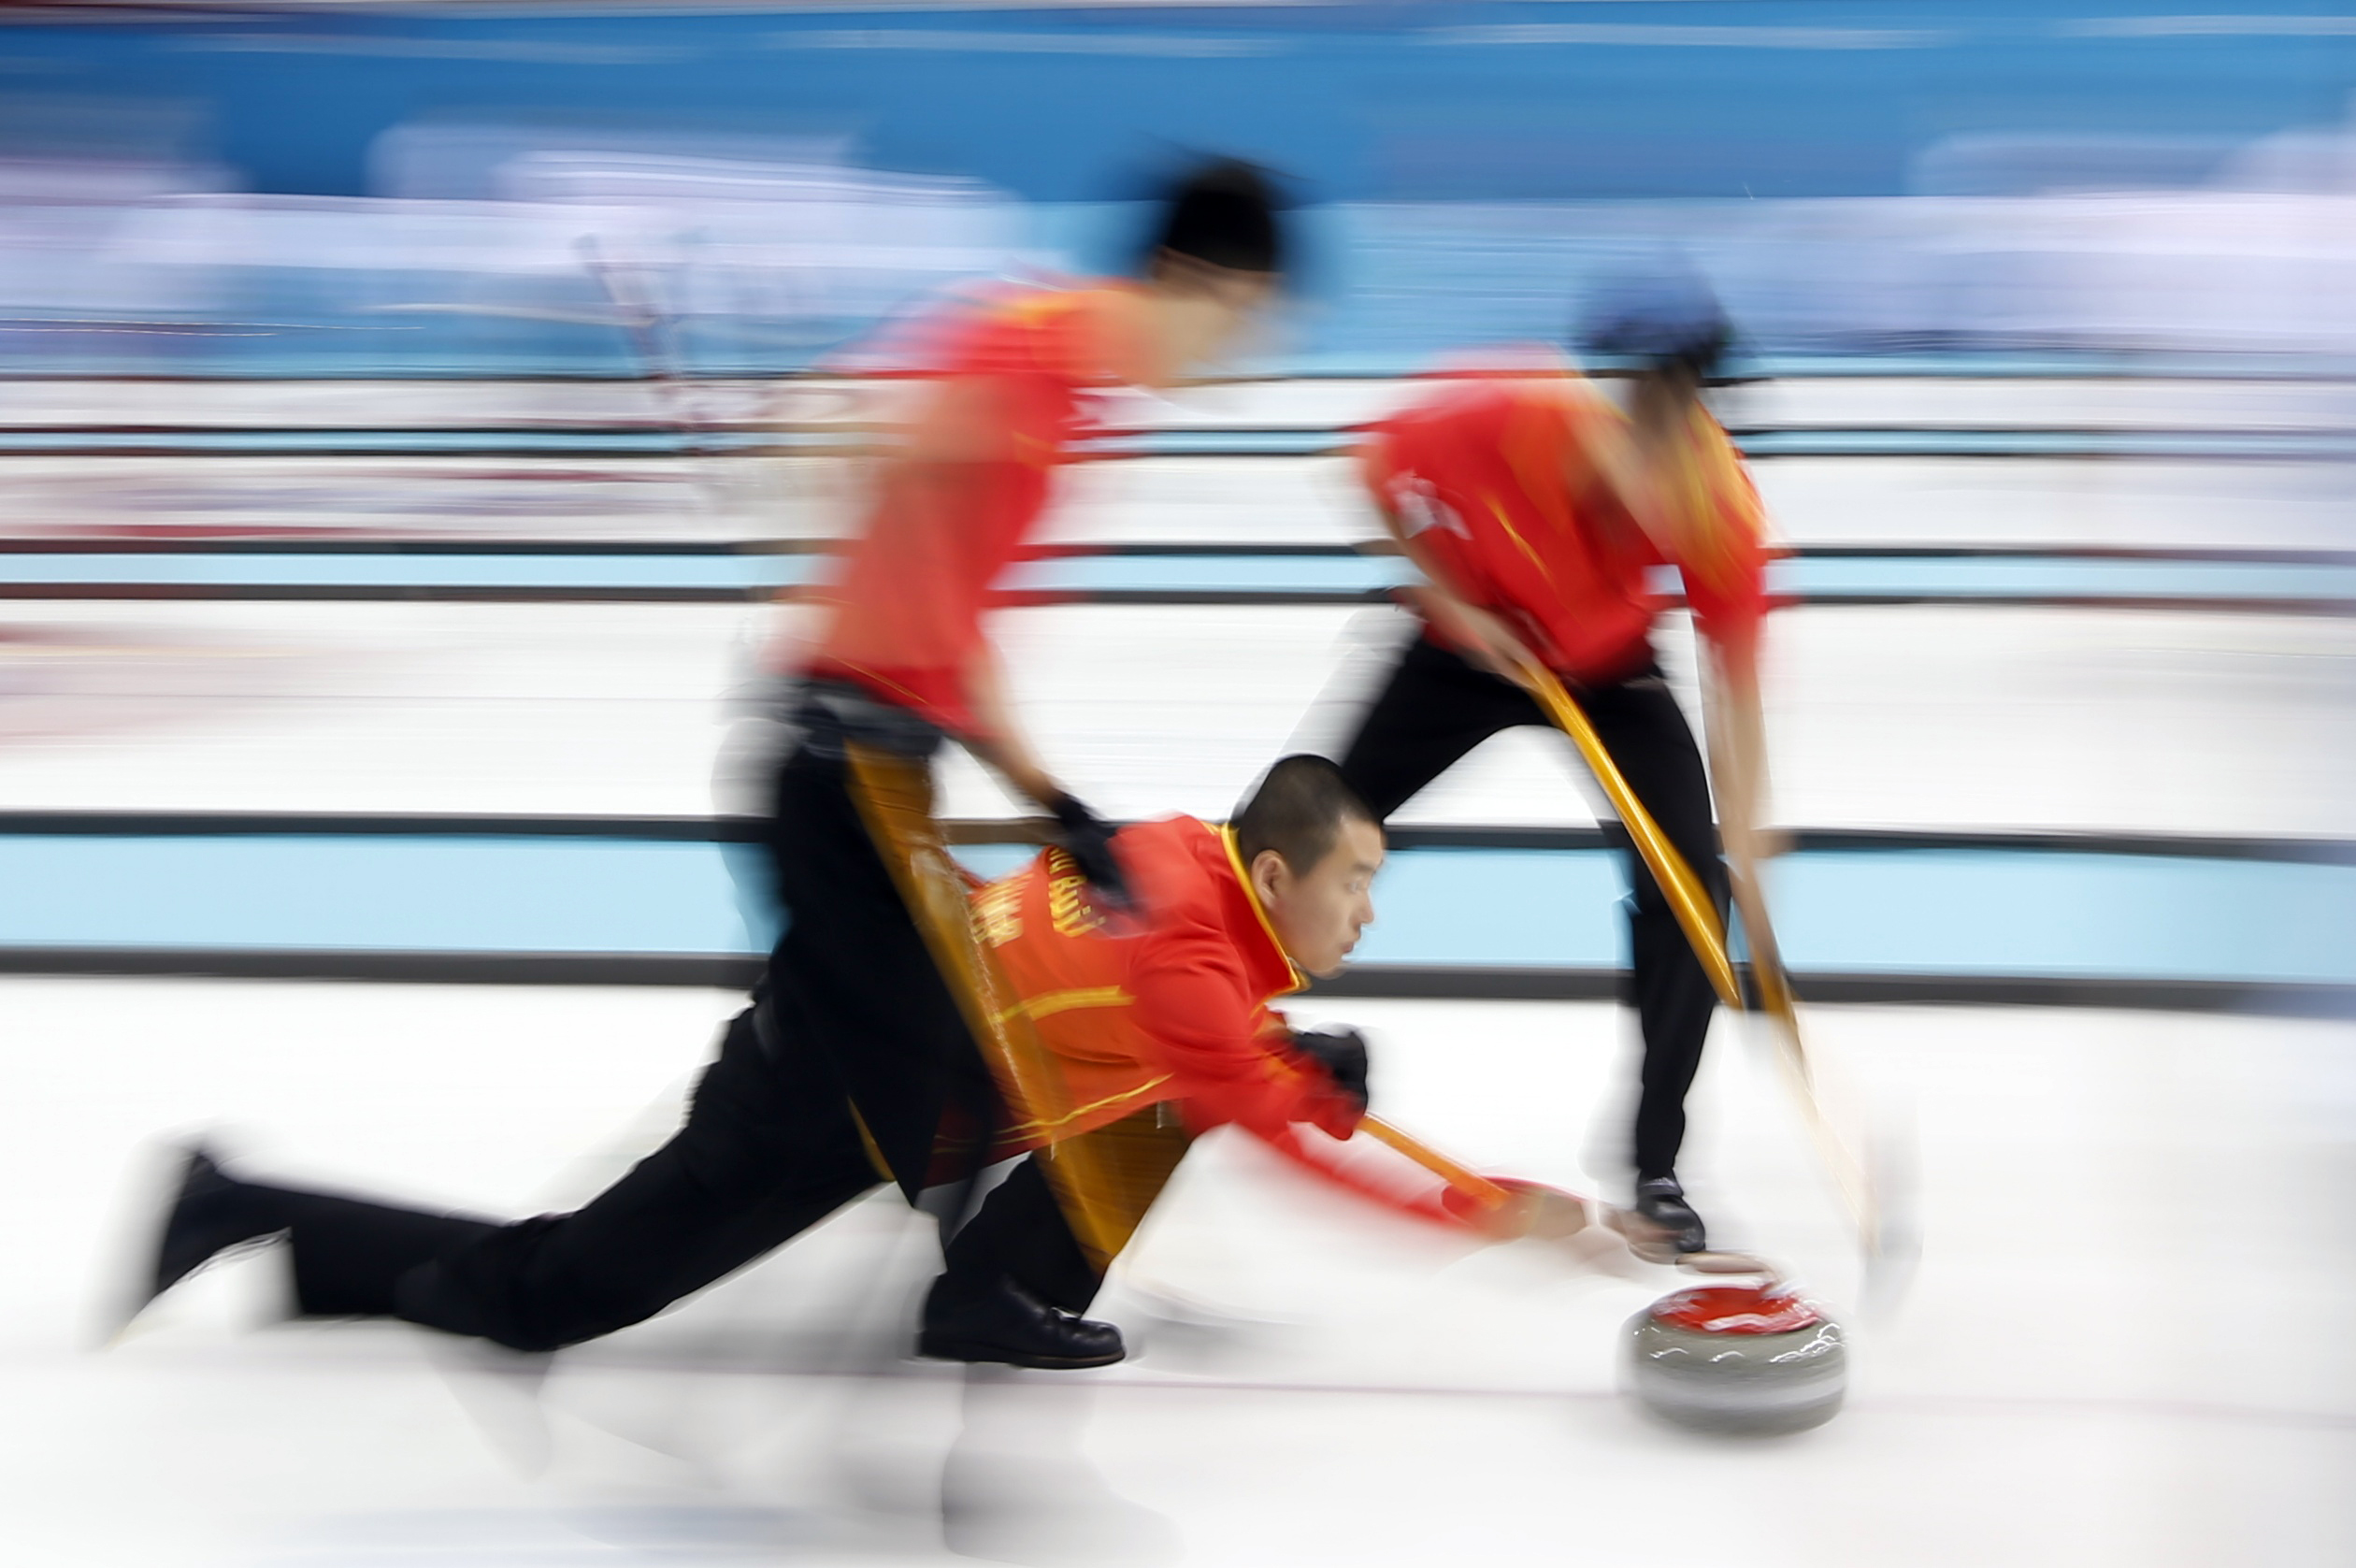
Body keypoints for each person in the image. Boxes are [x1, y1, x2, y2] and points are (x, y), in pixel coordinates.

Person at [129, 758, 1542, 1369]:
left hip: (886, 1042)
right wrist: (1477, 1210)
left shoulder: (1179, 852)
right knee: (560, 1294)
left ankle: (995, 1292)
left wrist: (1282, 1053)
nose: (1369, 911)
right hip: (831, 1099)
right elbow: (1269, 1120)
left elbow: (1162, 1036)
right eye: (1358, 881)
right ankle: (242, 1202)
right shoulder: (1196, 968)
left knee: (1186, 1092)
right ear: (1281, 870)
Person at [1330, 272, 1773, 1257]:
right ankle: (1197, 1024)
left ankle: (1656, 1169)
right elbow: (1367, 470)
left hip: (1609, 671)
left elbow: (1736, 683)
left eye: (1676, 418)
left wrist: (1738, 845)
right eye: (1632, 411)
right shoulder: (1495, 408)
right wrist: (1455, 607)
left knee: (1692, 895)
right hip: (1465, 646)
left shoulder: (1716, 496)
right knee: (1311, 825)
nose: (1652, 442)